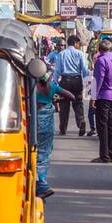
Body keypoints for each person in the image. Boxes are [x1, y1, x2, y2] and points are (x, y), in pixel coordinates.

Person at [36, 70, 76, 199]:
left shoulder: (31, 86)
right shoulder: (52, 87)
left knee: (32, 153)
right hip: (47, 124)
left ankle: (41, 185)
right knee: (44, 154)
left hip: (33, 122)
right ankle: (40, 183)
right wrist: (57, 99)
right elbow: (71, 96)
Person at [51, 35, 91, 136]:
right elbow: (85, 71)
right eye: (78, 44)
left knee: (64, 105)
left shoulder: (61, 54)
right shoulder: (80, 54)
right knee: (78, 103)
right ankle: (81, 123)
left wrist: (55, 84)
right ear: (75, 43)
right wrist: (87, 84)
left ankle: (63, 128)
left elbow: (57, 71)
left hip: (65, 81)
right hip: (77, 81)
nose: (78, 45)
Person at [92, 38, 112, 163]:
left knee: (102, 126)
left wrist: (94, 97)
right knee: (110, 124)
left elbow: (98, 80)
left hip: (104, 95)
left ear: (100, 50)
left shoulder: (101, 60)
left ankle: (104, 155)